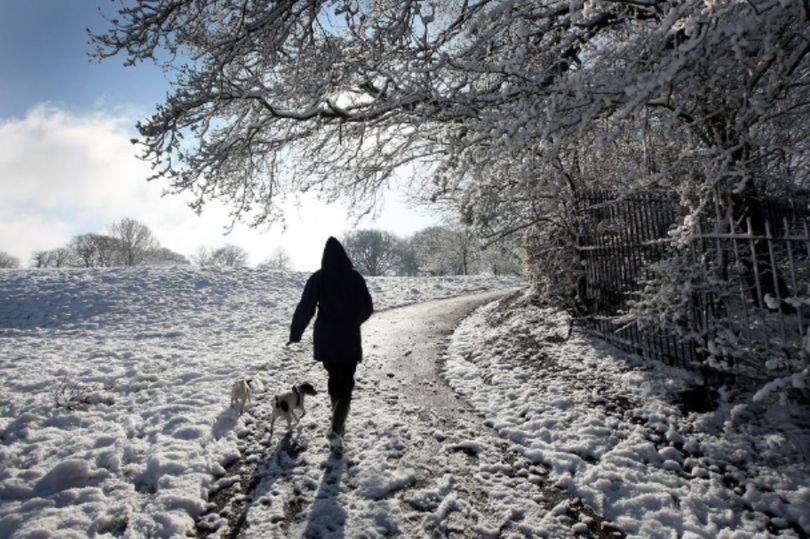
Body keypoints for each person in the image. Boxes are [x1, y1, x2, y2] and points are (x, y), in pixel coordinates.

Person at [288, 237, 373, 454]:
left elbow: (306, 307)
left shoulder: (318, 278)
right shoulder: (355, 278)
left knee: (334, 379)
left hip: (325, 337)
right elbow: (367, 307)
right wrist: (354, 321)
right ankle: (337, 428)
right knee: (346, 383)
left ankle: (338, 428)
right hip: (349, 337)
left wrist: (296, 333)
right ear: (344, 256)